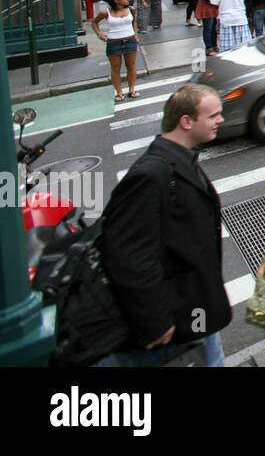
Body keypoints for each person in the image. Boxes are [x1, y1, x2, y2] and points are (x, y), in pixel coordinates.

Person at [100, 85, 232, 366]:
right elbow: (128, 256)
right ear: (186, 121)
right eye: (213, 115)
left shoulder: (180, 160)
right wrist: (155, 321)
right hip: (174, 322)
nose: (220, 120)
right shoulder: (151, 175)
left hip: (194, 311)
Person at [91, 0, 141, 101]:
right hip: (114, 42)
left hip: (130, 40)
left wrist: (135, 35)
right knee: (115, 67)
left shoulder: (131, 10)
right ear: (116, 1)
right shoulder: (106, 12)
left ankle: (132, 89)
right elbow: (94, 22)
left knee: (131, 65)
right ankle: (119, 92)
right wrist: (100, 35)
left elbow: (134, 22)